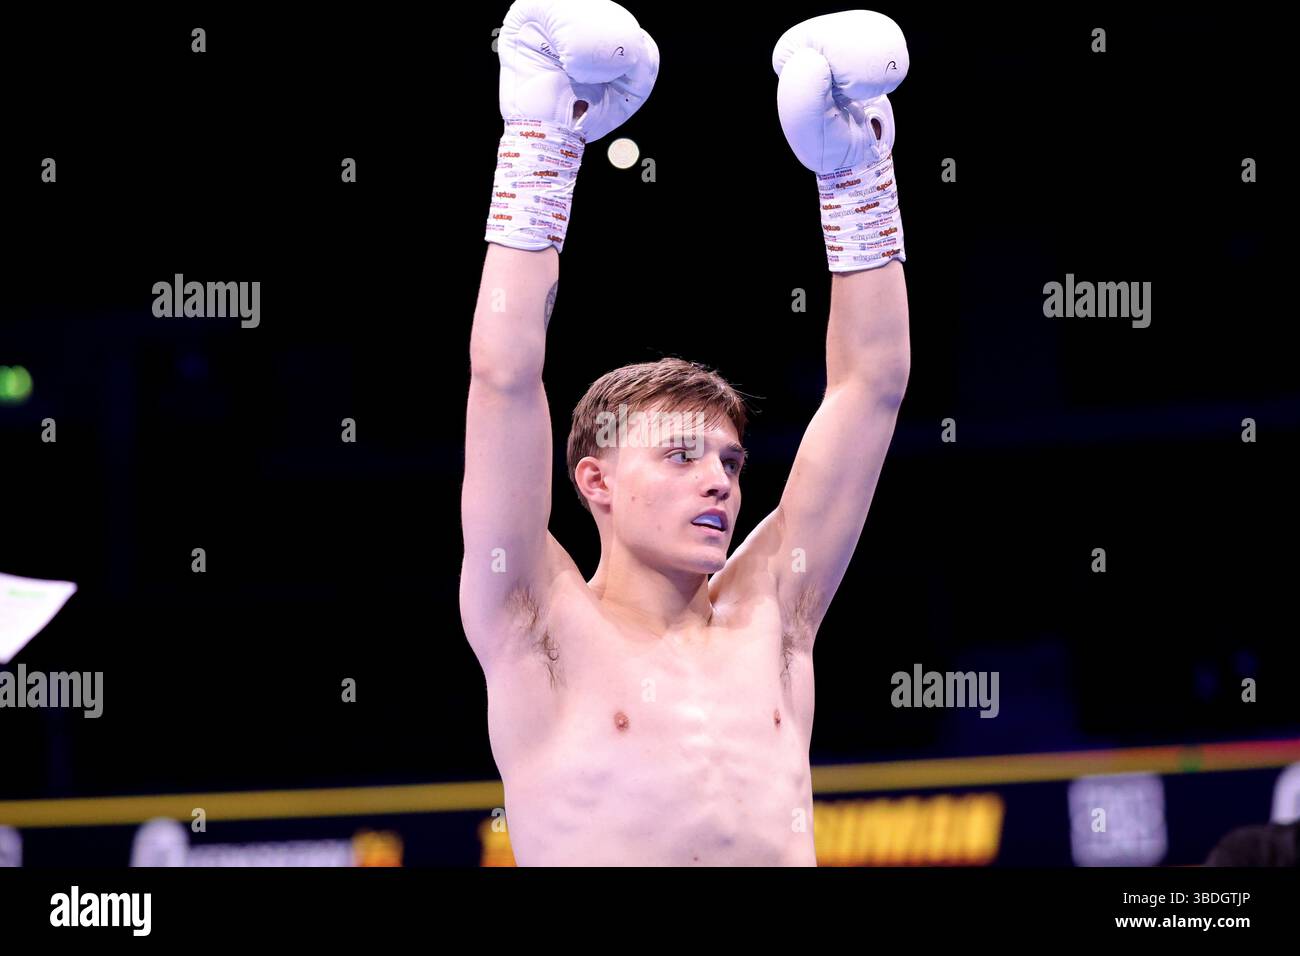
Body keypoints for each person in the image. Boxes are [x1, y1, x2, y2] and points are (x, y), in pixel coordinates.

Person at [461, 1, 911, 865]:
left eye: (730, 460)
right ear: (594, 482)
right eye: (680, 454)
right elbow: (503, 376)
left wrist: (859, 182)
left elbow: (872, 387)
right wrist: (539, 148)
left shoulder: (773, 614)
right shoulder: (534, 623)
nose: (721, 482)